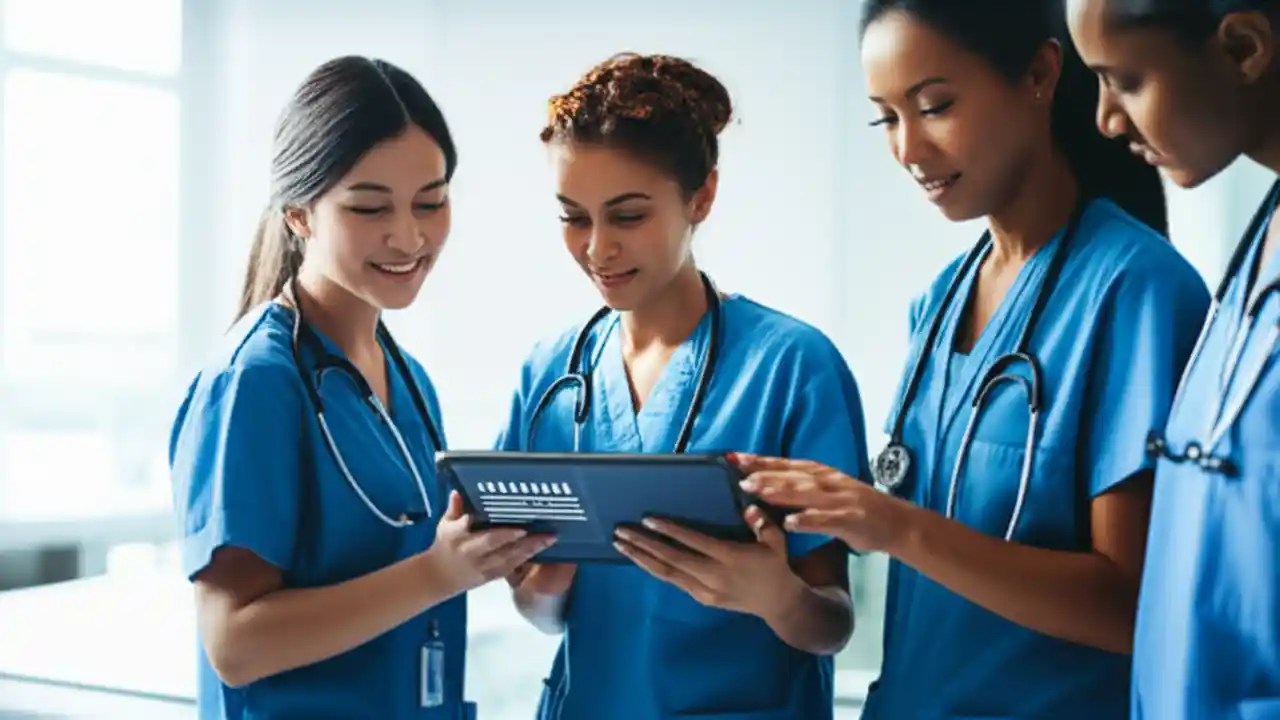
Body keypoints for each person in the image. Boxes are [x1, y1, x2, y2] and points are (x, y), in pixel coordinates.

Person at [733, 1, 1212, 717]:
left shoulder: (1136, 288)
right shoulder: (938, 304)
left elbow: (1128, 607)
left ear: (1041, 74)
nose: (908, 150)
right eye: (886, 119)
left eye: (934, 106)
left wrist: (891, 524)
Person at [168, 56, 551, 719]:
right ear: (299, 214)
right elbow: (234, 642)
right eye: (370, 207)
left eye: (431, 202)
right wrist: (437, 573)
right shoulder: (257, 384)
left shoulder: (407, 380)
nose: (409, 236)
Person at [498, 52, 868, 720]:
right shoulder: (550, 374)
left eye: (628, 216)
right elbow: (540, 610)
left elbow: (832, 622)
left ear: (701, 196)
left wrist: (774, 596)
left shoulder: (792, 367)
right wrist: (546, 581)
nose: (597, 249)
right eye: (573, 217)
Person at [1066, 1, 1280, 717]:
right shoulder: (1254, 260)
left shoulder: (1147, 281)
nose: (1106, 118)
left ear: (1245, 49)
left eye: (1123, 79)